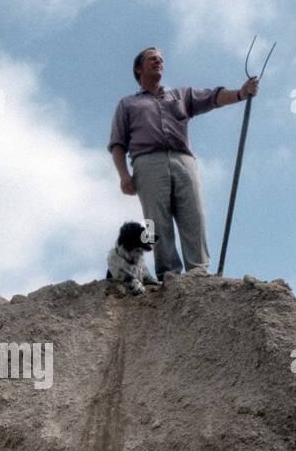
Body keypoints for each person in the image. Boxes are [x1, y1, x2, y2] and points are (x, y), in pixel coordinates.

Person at [108, 46, 259, 279]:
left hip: (183, 159)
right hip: (146, 162)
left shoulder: (181, 95)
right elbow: (117, 144)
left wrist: (240, 93)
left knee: (194, 213)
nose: (159, 62)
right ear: (139, 68)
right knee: (154, 221)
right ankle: (168, 273)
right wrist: (124, 176)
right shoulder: (127, 104)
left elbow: (213, 97)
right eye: (152, 59)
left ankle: (198, 270)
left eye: (161, 59)